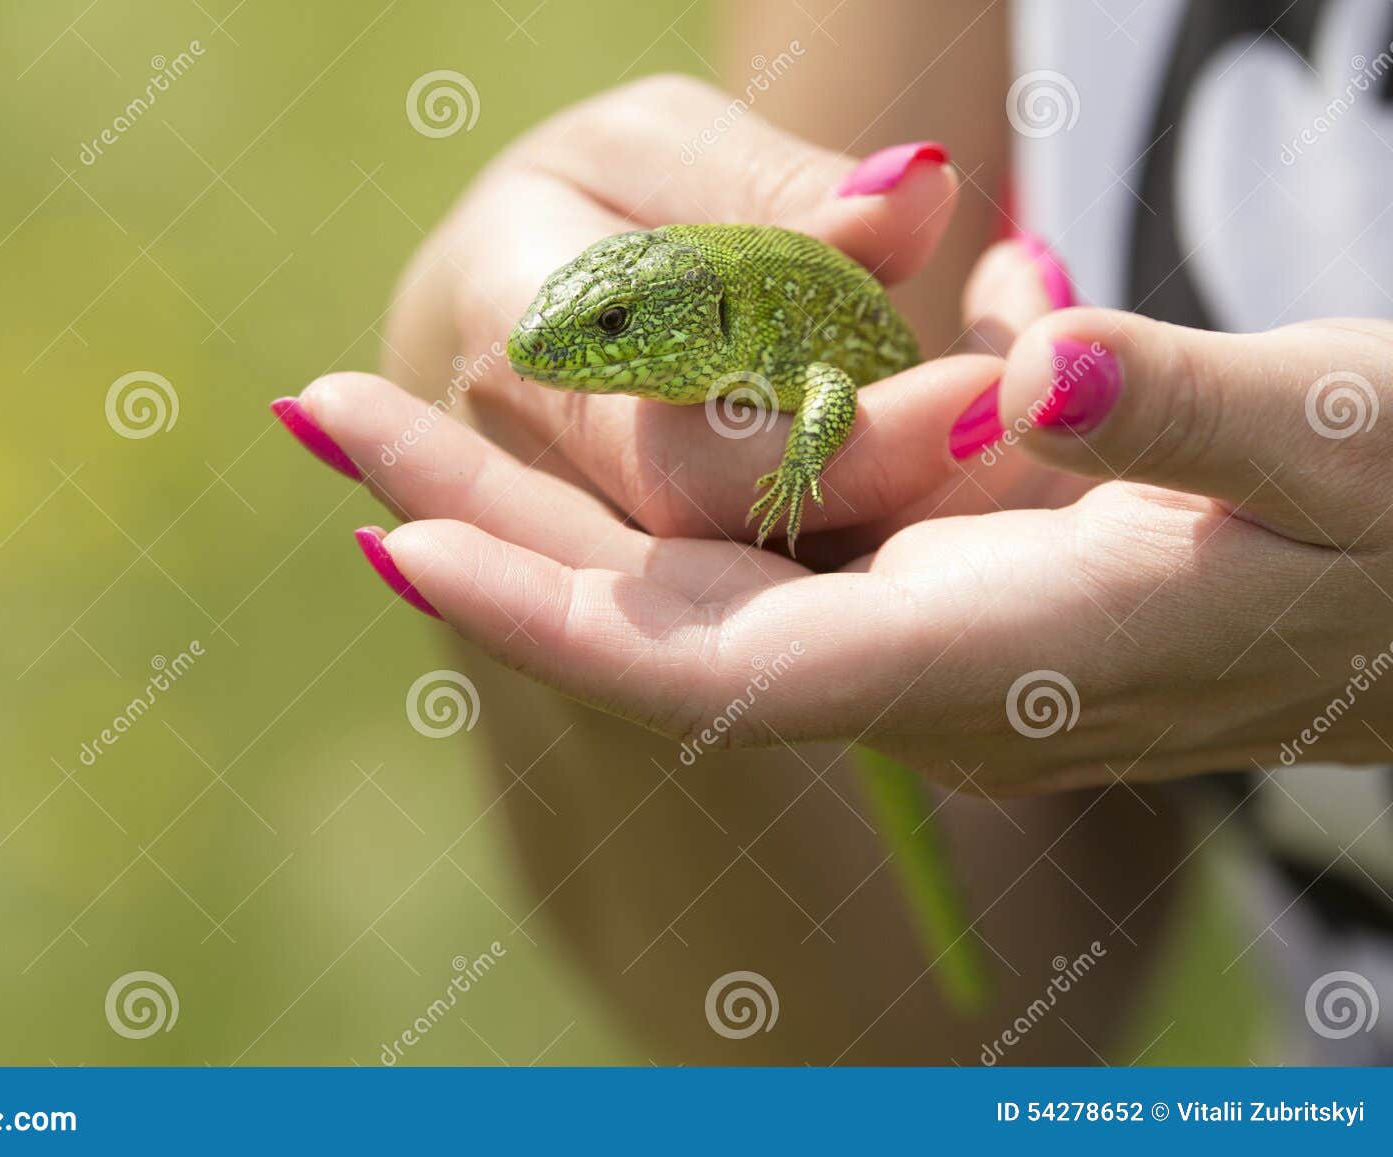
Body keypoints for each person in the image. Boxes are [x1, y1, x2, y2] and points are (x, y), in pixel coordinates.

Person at [271, 0, 1393, 1063]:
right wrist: (588, 575)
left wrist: (801, 474)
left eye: (613, 328)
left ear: (705, 318)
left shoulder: (757, 329)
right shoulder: (730, 296)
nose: (567, 347)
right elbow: (932, 1058)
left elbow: (827, 396)